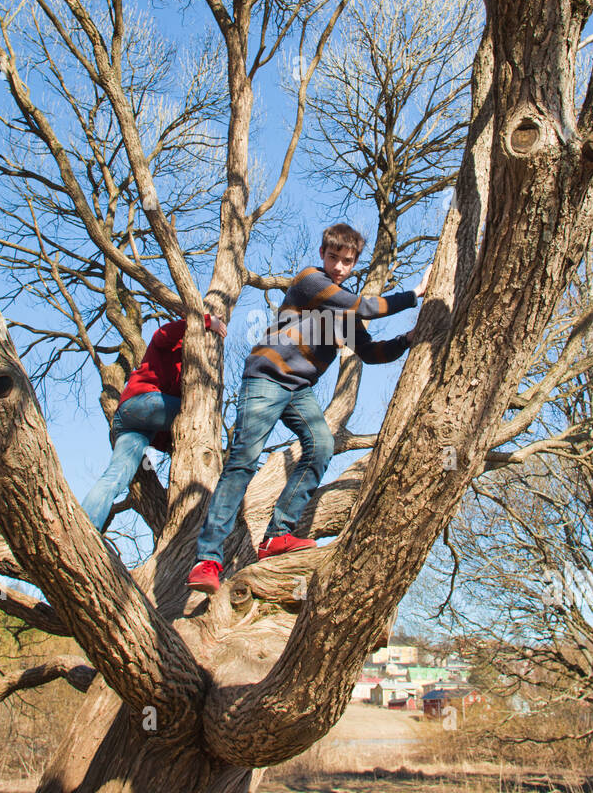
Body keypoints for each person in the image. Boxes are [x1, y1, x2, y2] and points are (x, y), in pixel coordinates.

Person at [187, 224, 430, 592]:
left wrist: (406, 340)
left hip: (299, 389)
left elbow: (369, 352)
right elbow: (363, 305)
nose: (339, 267)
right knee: (243, 461)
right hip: (267, 377)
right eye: (333, 258)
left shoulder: (344, 312)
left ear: (355, 263)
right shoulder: (309, 281)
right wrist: (414, 295)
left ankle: (277, 536)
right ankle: (207, 559)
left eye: (347, 262)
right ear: (322, 254)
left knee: (321, 445)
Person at [82, 311, 227, 532]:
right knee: (197, 411)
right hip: (140, 402)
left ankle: (86, 528)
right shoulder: (169, 343)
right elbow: (163, 332)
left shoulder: (187, 374)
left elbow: (164, 430)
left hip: (133, 423)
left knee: (116, 476)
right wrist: (208, 321)